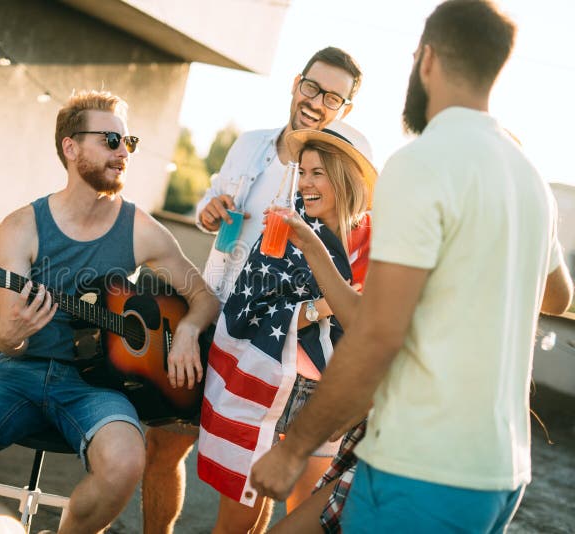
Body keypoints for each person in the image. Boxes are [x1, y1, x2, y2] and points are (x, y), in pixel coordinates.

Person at [250, 1, 574, 532]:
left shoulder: (423, 162)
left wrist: (293, 452)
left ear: (425, 60)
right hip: (500, 472)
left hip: (421, 466)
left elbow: (377, 335)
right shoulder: (529, 174)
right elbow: (557, 297)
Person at [0, 90, 219, 533]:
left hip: (99, 384)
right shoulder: (22, 225)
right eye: (110, 141)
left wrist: (189, 330)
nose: (123, 152)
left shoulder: (139, 228)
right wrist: (10, 332)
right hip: (18, 372)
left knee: (125, 464)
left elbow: (204, 297)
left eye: (128, 142)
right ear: (71, 147)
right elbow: (6, 341)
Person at [143, 46, 365, 534]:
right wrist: (209, 208)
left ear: (344, 110)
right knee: (163, 444)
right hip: (209, 309)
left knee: (249, 472)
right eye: (312, 86)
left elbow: (346, 262)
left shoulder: (334, 172)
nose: (317, 101)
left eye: (333, 97)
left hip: (269, 343)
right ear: (295, 83)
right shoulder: (248, 144)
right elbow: (214, 198)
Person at [197, 125, 377, 534]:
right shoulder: (286, 224)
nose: (307, 183)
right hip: (267, 380)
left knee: (303, 520)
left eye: (319, 173)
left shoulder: (372, 240)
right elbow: (250, 306)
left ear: (345, 177)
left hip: (326, 395)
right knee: (237, 522)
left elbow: (374, 327)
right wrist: (321, 307)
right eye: (305, 172)